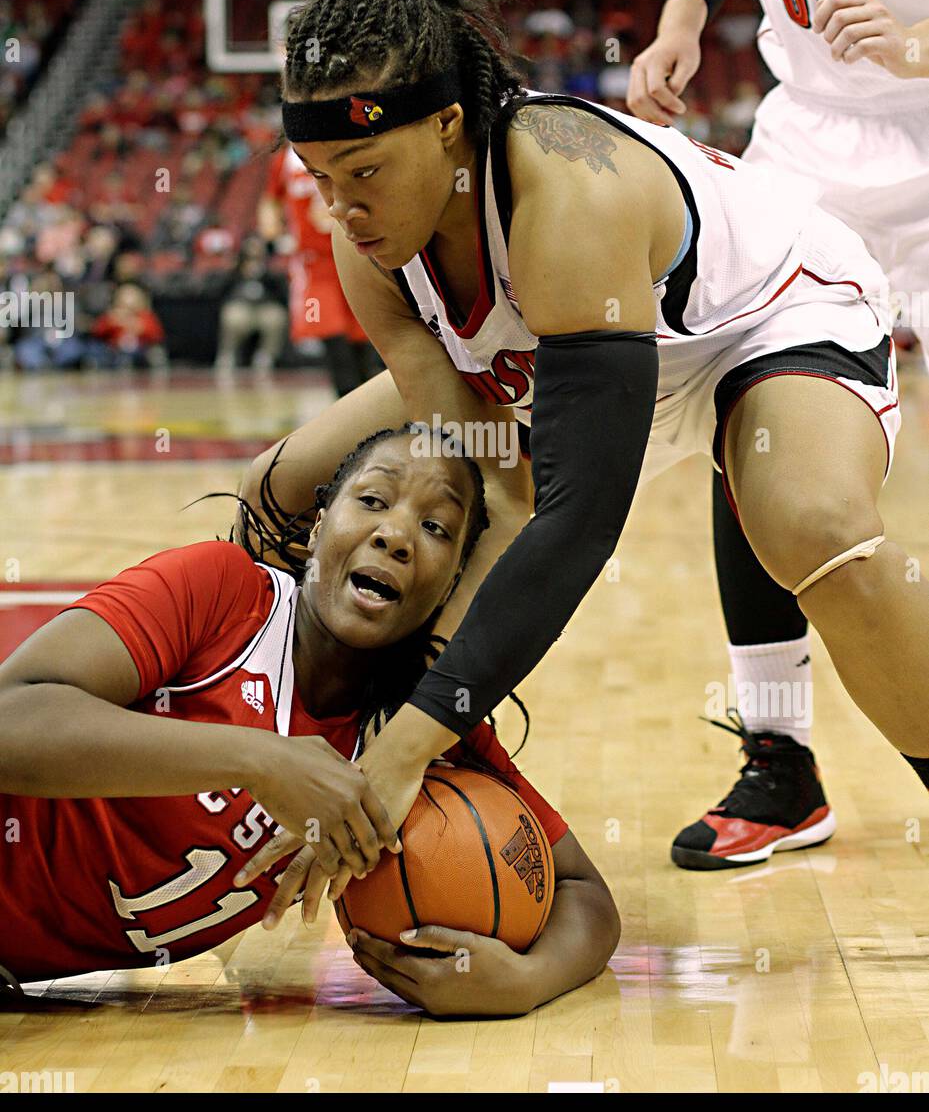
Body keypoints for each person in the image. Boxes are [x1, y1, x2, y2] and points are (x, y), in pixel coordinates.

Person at [241, 0, 929, 911]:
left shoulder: (562, 191)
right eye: (317, 174)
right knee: (275, 489)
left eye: (362, 171)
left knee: (810, 521)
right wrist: (385, 742)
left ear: (443, 129)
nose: (339, 207)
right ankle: (236, 759)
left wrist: (419, 735)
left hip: (761, 318)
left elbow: (575, 518)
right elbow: (492, 487)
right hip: (582, 358)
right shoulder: (367, 247)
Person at [0, 422, 618, 1018]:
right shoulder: (224, 593)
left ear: (455, 582)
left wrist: (526, 982)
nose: (395, 534)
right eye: (373, 499)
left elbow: (585, 897)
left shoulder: (415, 734)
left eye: (435, 526)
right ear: (318, 527)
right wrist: (259, 759)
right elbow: (10, 715)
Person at [627, 0, 929, 867]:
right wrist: (681, 12)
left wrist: (914, 40)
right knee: (745, 420)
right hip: (804, 145)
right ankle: (778, 763)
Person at [259, 138, 382, 395]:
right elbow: (271, 199)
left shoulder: (343, 149)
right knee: (332, 333)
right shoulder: (285, 160)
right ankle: (349, 405)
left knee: (365, 338)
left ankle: (371, 408)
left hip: (356, 256)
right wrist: (272, 234)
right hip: (314, 263)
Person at [214, 239, 289, 372]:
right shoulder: (235, 270)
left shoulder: (270, 272)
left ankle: (267, 356)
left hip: (264, 308)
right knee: (232, 316)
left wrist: (265, 273)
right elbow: (222, 291)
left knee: (276, 317)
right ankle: (228, 354)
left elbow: (281, 294)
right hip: (243, 307)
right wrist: (238, 270)